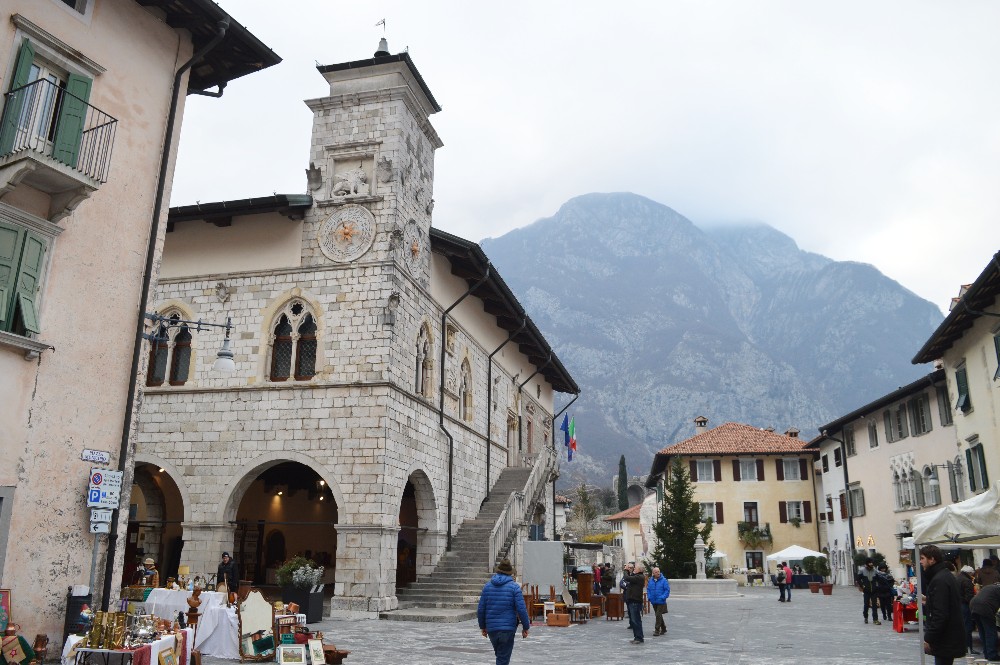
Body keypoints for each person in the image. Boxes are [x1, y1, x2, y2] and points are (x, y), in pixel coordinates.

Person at [477, 559, 530, 665]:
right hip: (507, 629)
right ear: (510, 573)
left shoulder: (487, 587)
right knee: (502, 659)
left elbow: (481, 609)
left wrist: (482, 627)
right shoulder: (514, 587)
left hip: (492, 629)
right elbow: (521, 609)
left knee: (501, 656)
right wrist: (526, 627)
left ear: (498, 571)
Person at [921, 544, 967, 664]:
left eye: (922, 558)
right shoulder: (944, 576)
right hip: (948, 636)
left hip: (945, 637)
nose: (920, 562)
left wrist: (929, 637)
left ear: (932, 559)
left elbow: (940, 614)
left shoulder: (939, 580)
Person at [970, 581, 1000, 662]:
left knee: (983, 631)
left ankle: (987, 653)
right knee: (990, 631)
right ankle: (992, 654)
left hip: (973, 605)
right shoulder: (998, 589)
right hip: (984, 608)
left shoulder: (989, 587)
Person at [624, 562, 647, 644]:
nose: (634, 569)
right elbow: (630, 577)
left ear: (639, 570)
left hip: (635, 602)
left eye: (635, 568)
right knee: (635, 620)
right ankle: (637, 637)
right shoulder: (637, 576)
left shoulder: (640, 577)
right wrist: (629, 571)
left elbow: (627, 578)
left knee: (636, 620)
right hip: (632, 601)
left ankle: (639, 638)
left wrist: (626, 570)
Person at [957, 565, 977, 655]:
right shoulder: (967, 581)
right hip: (965, 605)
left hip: (958, 604)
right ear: (969, 573)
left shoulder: (958, 578)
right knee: (967, 626)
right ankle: (968, 647)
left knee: (962, 626)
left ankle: (963, 646)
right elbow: (969, 596)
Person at [647, 567, 670, 636]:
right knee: (658, 615)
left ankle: (657, 630)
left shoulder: (664, 580)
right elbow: (648, 589)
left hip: (661, 601)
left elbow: (667, 590)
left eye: (658, 571)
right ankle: (664, 628)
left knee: (658, 615)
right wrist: (649, 597)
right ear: (653, 573)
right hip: (653, 600)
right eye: (656, 572)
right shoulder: (650, 580)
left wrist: (662, 597)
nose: (658, 573)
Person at [856, 558, 880, 624]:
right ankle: (865, 617)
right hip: (866, 590)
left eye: (872, 563)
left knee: (874, 605)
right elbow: (858, 579)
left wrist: (877, 587)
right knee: (866, 604)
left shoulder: (875, 570)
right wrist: (862, 586)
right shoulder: (862, 570)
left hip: (874, 591)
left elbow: (878, 579)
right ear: (867, 564)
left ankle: (875, 619)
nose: (871, 564)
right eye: (870, 563)